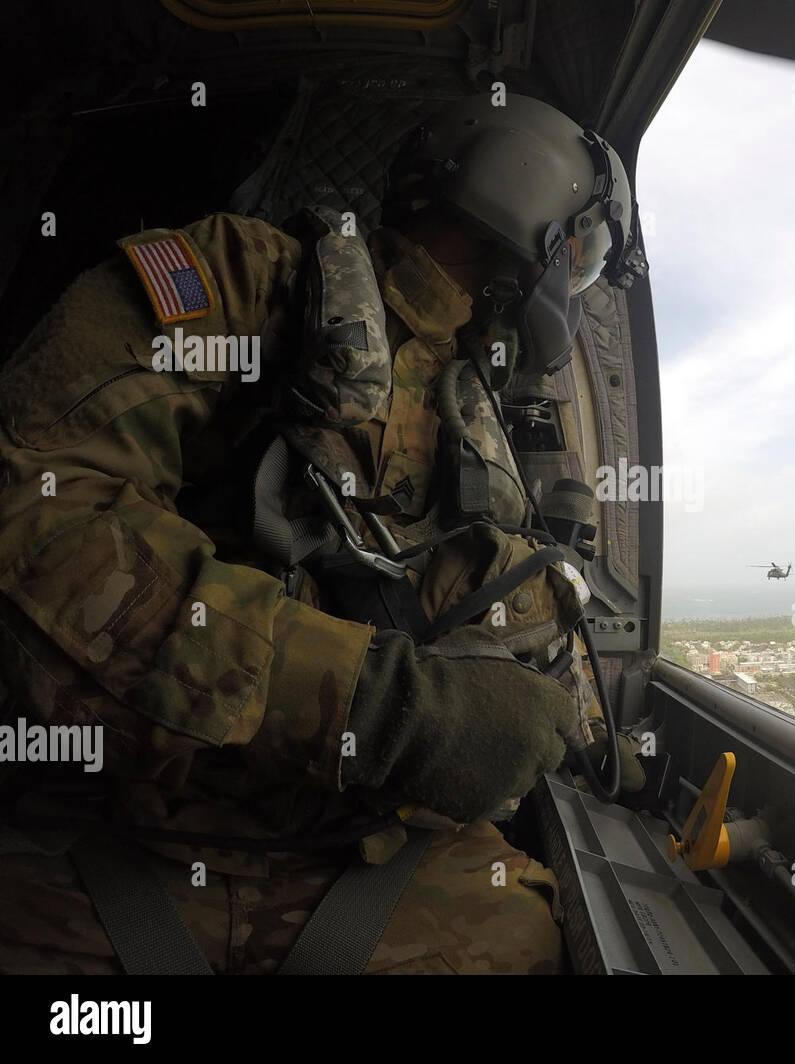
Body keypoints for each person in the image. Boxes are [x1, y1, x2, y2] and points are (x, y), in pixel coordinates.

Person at [0, 91, 644, 974]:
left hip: (369, 860)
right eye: (583, 256)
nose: (573, 284)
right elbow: (38, 512)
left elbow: (505, 617)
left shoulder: (473, 404)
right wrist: (375, 706)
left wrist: (595, 742)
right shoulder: (243, 283)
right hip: (124, 835)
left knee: (549, 939)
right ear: (538, 222)